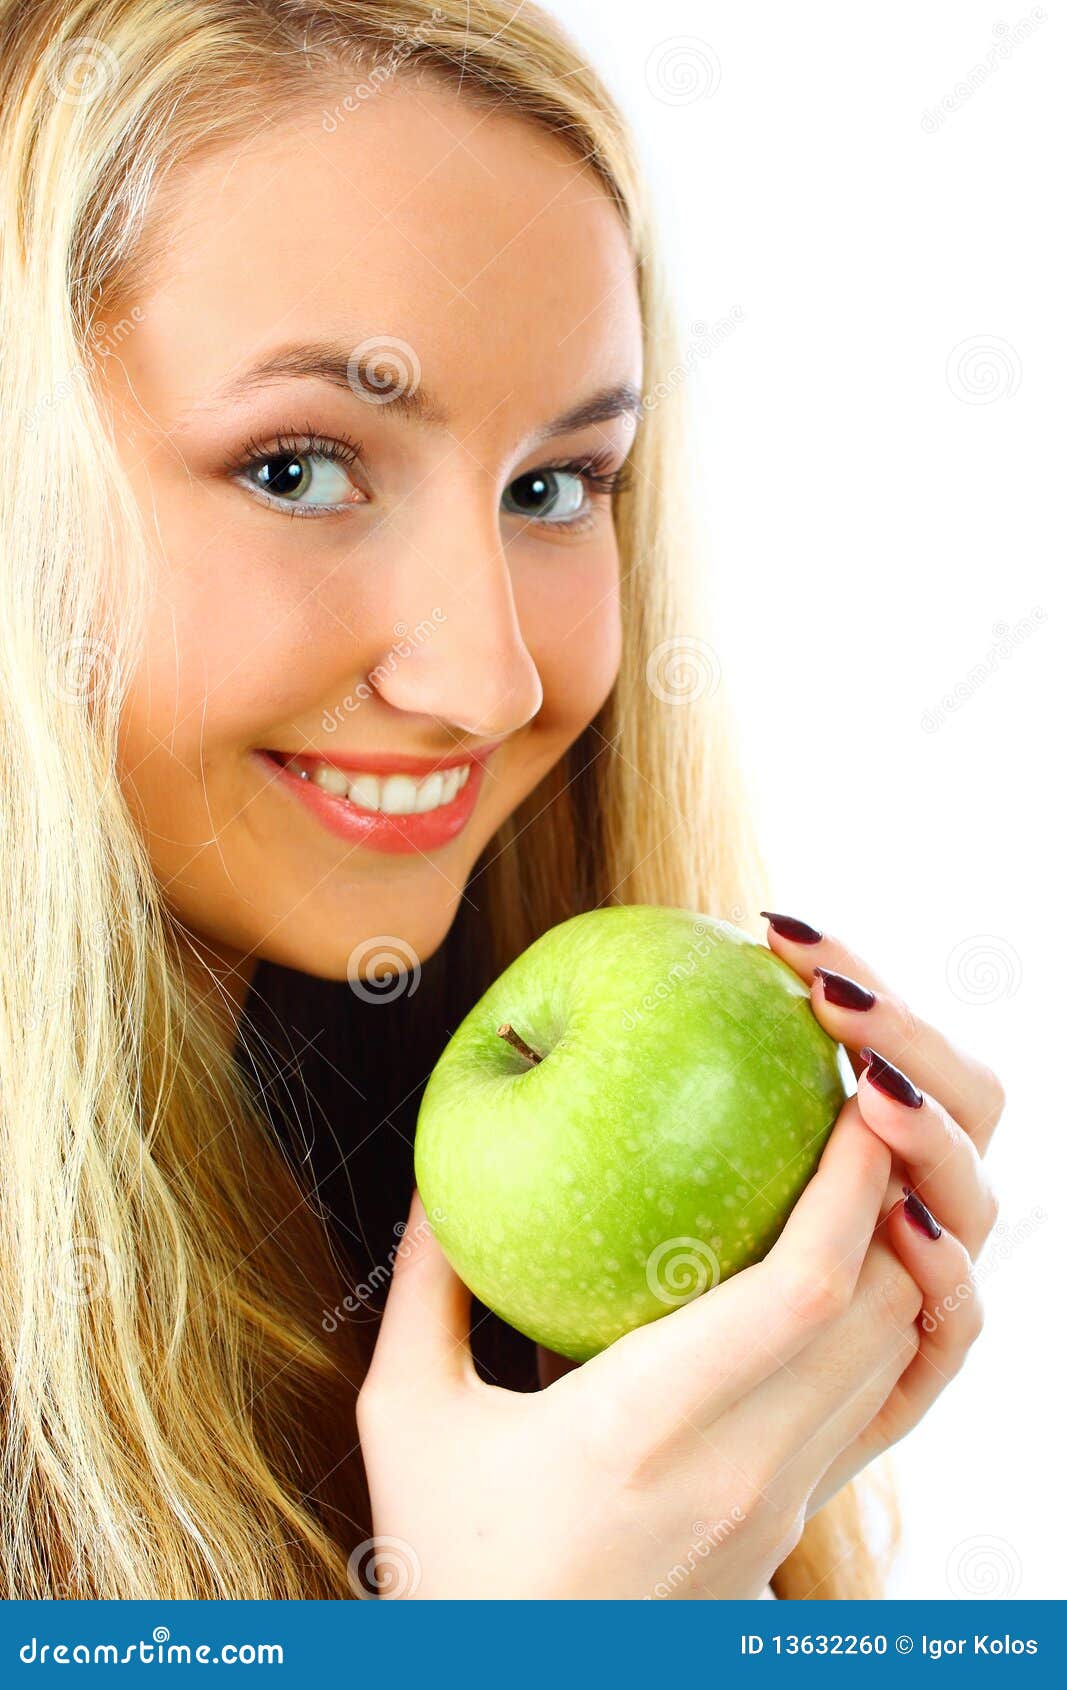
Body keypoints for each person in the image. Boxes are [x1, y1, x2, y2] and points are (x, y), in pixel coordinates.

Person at [0, 0, 1004, 1600]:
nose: (491, 681)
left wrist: (712, 1566)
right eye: (298, 468)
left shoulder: (413, 1194)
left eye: (554, 487)